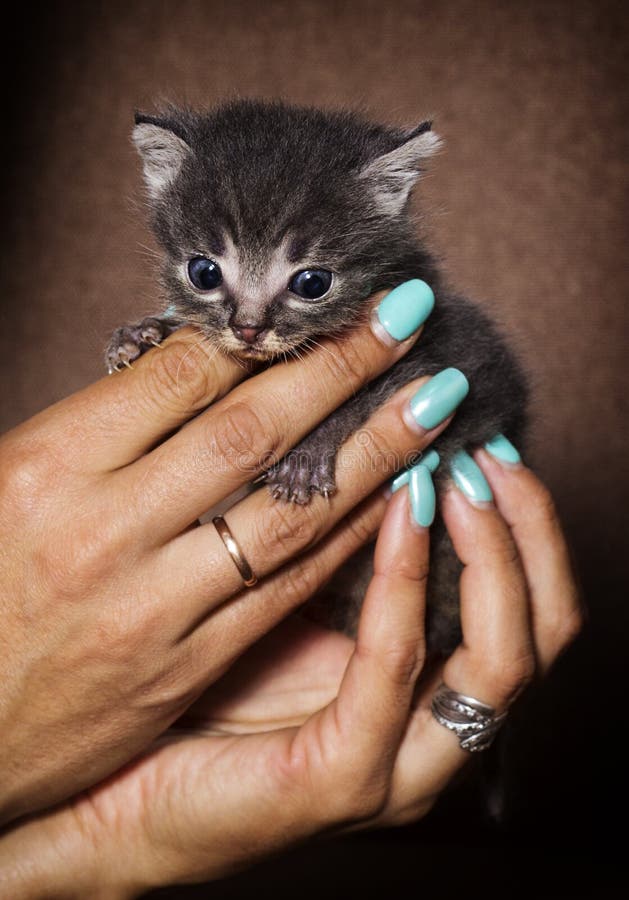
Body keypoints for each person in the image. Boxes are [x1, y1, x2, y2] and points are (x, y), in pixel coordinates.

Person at [0, 285, 581, 895]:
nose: (248, 320)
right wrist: (101, 837)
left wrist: (98, 840)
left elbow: (485, 382)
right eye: (205, 273)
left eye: (305, 284)